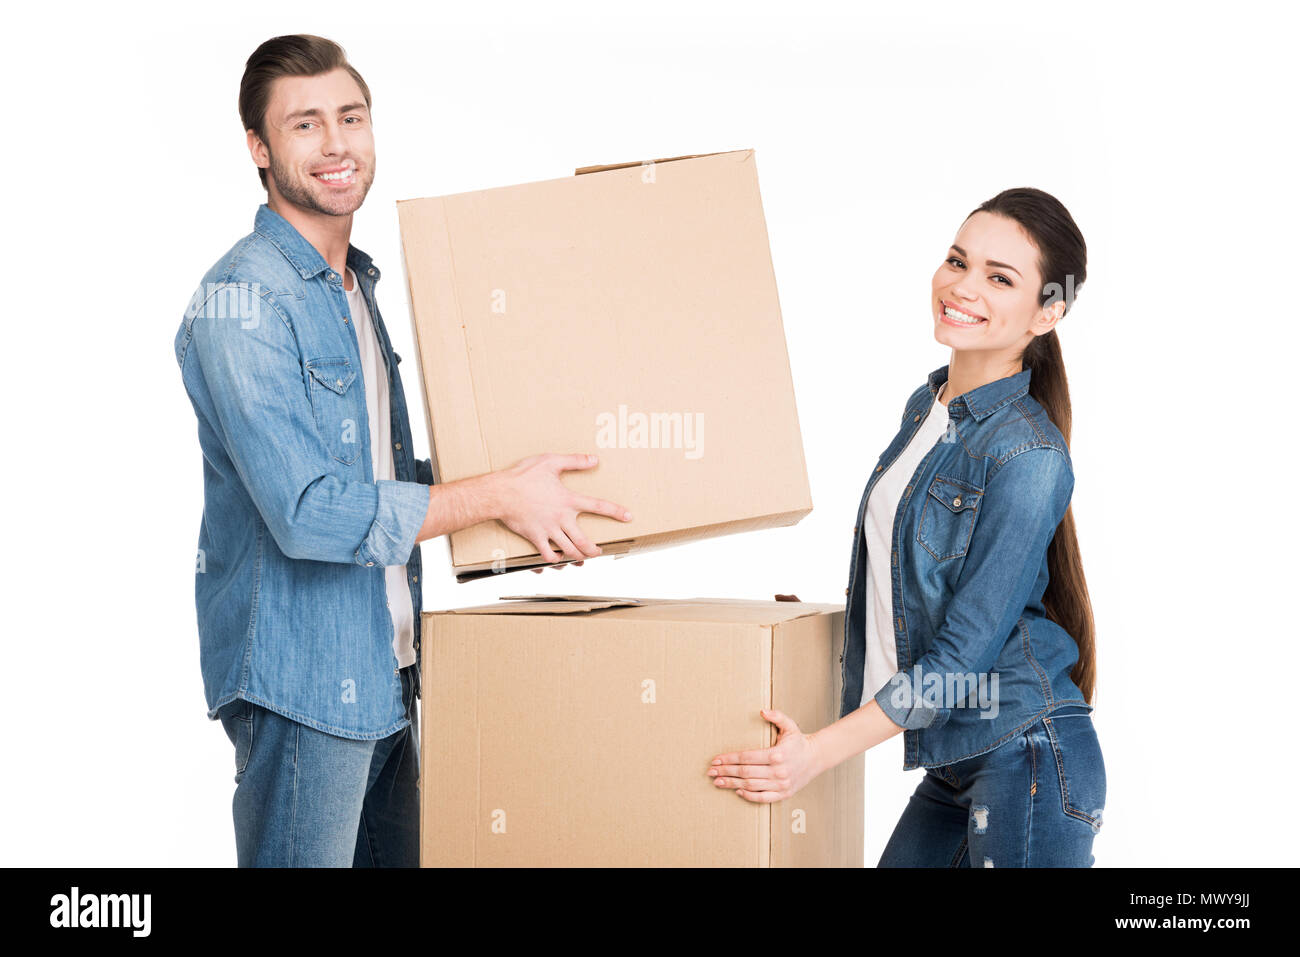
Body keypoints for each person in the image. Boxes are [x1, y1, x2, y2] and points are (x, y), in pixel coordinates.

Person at [174, 34, 631, 867]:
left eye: (351, 117)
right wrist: (494, 495)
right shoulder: (244, 302)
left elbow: (379, 481)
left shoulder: (356, 284)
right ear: (259, 148)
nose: (337, 142)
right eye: (305, 124)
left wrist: (521, 499)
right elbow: (308, 511)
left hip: (391, 671)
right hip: (304, 686)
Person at [709, 188, 1105, 867]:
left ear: (1048, 312)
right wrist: (824, 636)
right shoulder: (927, 406)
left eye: (1000, 278)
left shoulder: (1030, 455)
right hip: (957, 760)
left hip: (1027, 758)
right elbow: (914, 582)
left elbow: (959, 660)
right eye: (958, 260)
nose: (963, 287)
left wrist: (814, 755)